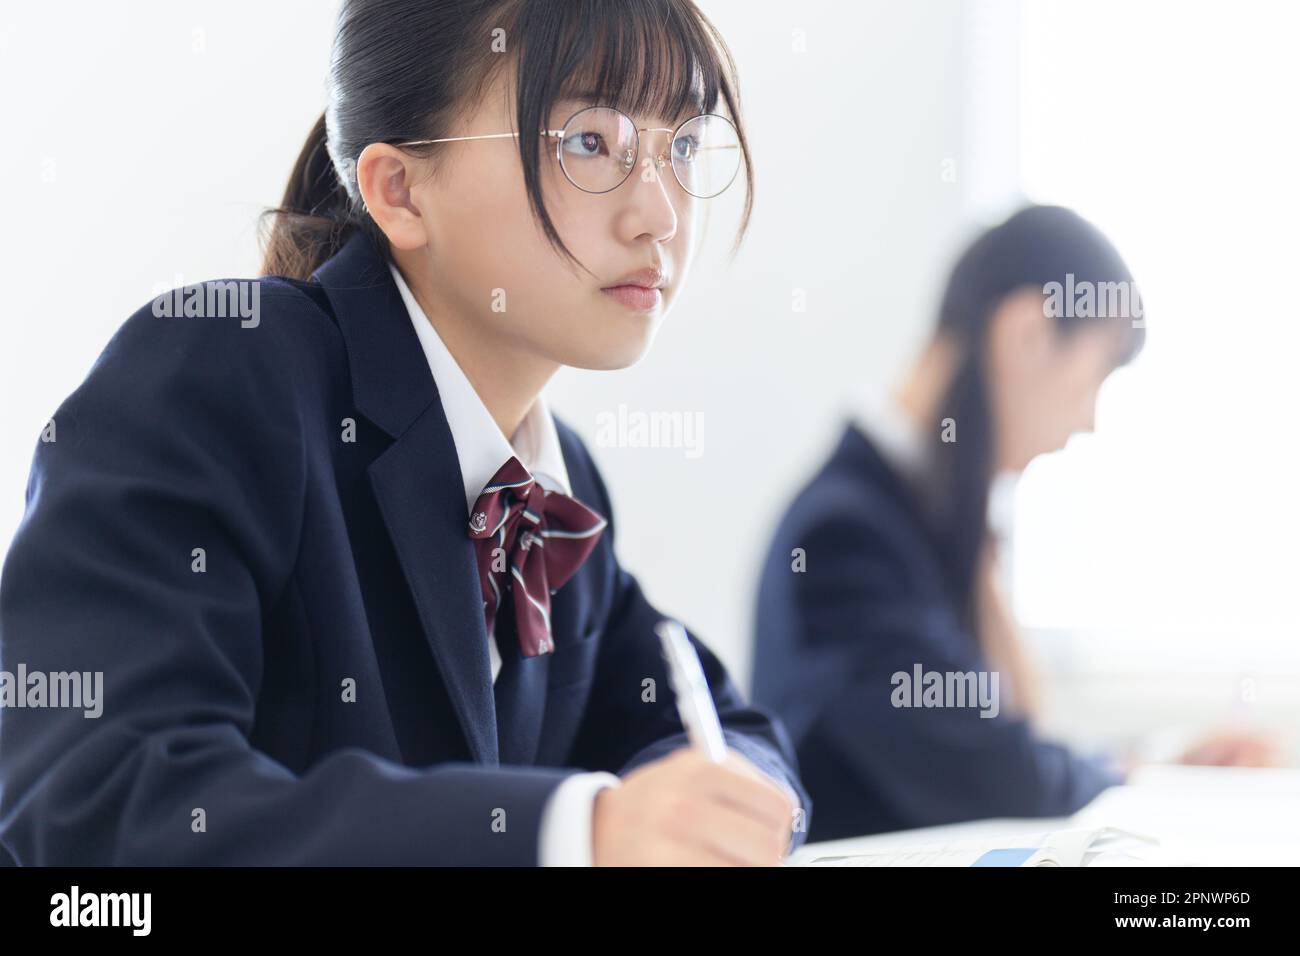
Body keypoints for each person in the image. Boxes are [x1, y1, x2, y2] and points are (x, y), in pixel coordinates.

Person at [0, 0, 808, 866]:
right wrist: (572, 834)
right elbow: (97, 796)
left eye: (683, 145)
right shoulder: (218, 367)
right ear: (400, 189)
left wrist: (712, 811)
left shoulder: (549, 473)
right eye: (588, 141)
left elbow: (723, 729)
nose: (660, 215)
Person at [751, 205, 1275, 842]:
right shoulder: (844, 535)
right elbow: (994, 768)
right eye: (1093, 380)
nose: (1088, 422)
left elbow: (1012, 732)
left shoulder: (922, 518)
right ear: (1025, 334)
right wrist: (1147, 774)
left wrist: (1155, 762)